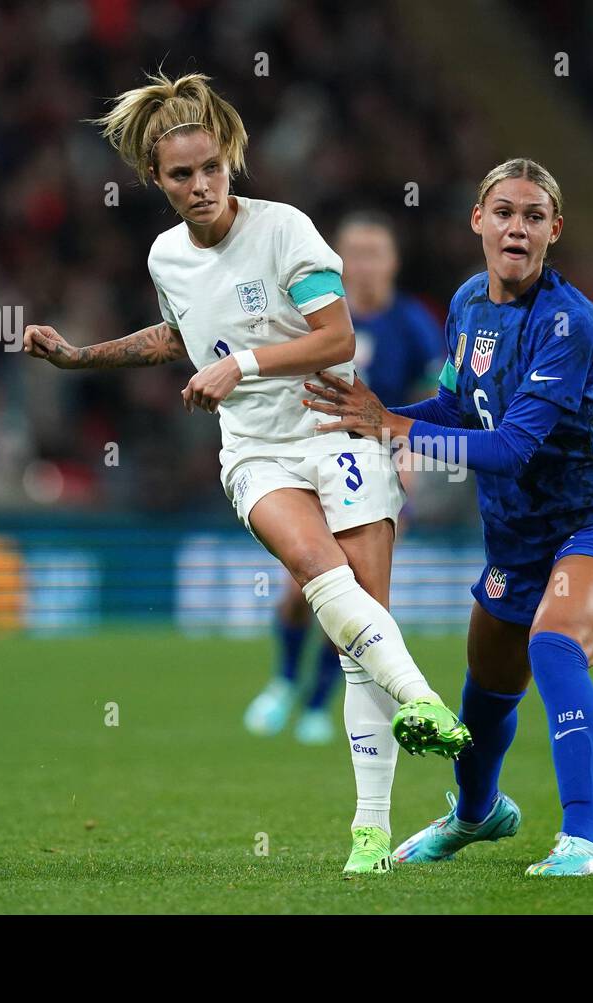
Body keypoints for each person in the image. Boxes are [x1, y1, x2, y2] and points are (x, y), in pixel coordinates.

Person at [22, 70, 469, 876]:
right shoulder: (166, 255)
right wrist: (81, 358)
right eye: (180, 175)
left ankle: (369, 832)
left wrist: (246, 364)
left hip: (337, 428)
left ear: (230, 161)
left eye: (210, 169)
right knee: (316, 571)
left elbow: (336, 338)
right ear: (154, 181)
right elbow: (178, 335)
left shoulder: (285, 230)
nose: (199, 186)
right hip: (257, 451)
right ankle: (426, 703)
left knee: (358, 627)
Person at [304, 157, 593, 876]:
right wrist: (374, 417)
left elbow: (507, 447)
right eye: (504, 212)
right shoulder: (467, 304)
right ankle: (476, 814)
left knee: (552, 644)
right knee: (485, 692)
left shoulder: (569, 320)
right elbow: (454, 409)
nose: (517, 227)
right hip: (517, 540)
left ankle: (584, 841)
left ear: (554, 230)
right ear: (479, 220)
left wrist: (391, 428)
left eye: (533, 216)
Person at [244, 211, 444, 745]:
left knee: (360, 601)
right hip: (313, 459)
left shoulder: (412, 323)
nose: (363, 264)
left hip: (377, 466)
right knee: (300, 591)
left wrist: (413, 458)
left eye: (375, 253)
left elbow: (434, 397)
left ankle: (316, 704)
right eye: (354, 253)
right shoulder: (318, 317)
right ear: (337, 260)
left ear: (393, 263)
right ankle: (284, 682)